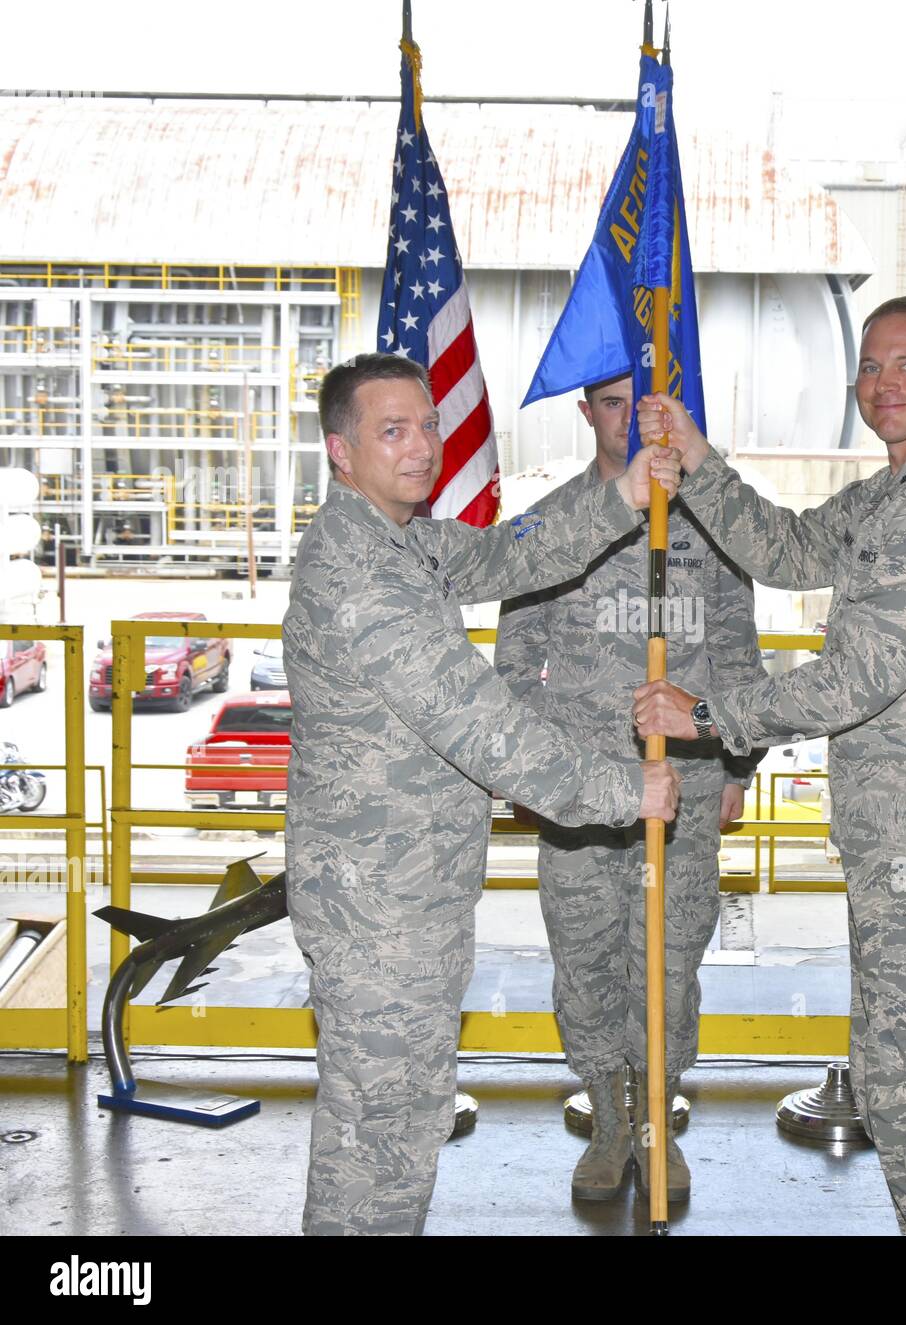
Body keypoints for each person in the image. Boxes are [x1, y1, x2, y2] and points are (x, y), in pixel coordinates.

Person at [631, 297, 906, 1236]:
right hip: (905, 850)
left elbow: (860, 677)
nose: (885, 385)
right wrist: (695, 456)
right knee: (905, 1081)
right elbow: (792, 547)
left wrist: (710, 716)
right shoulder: (898, 488)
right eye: (871, 367)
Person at [283, 353, 683, 1236]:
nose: (423, 447)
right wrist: (630, 788)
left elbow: (508, 553)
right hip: (378, 915)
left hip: (408, 900)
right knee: (377, 1137)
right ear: (341, 452)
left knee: (399, 1121)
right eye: (393, 431)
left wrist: (617, 496)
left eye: (427, 425)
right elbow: (489, 730)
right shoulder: (365, 577)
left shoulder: (402, 541)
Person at [495, 374, 765, 1204]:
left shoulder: (706, 518)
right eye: (612, 402)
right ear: (587, 414)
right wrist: (532, 772)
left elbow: (736, 651)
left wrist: (735, 763)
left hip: (680, 783)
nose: (629, 417)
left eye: (644, 403)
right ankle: (610, 1123)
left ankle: (657, 1120)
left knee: (671, 954)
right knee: (585, 956)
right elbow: (513, 665)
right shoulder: (551, 525)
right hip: (577, 790)